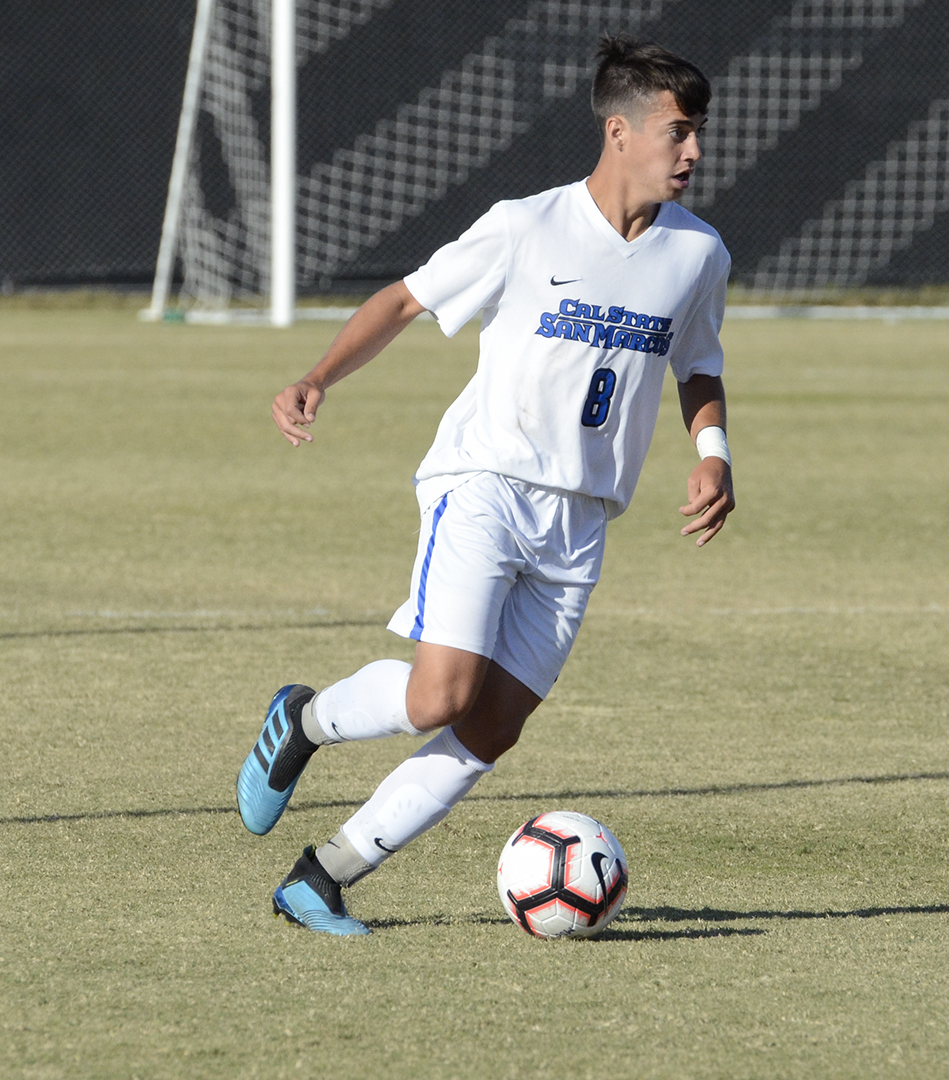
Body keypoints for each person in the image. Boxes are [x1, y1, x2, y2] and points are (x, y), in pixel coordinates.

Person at [240, 35, 734, 935]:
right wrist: (317, 377)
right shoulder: (527, 226)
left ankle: (322, 877)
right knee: (440, 696)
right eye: (679, 131)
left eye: (699, 131)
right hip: (487, 486)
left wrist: (714, 453)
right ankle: (304, 722)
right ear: (619, 131)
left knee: (492, 726)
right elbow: (403, 299)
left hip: (583, 520)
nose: (695, 150)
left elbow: (697, 363)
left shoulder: (698, 254)